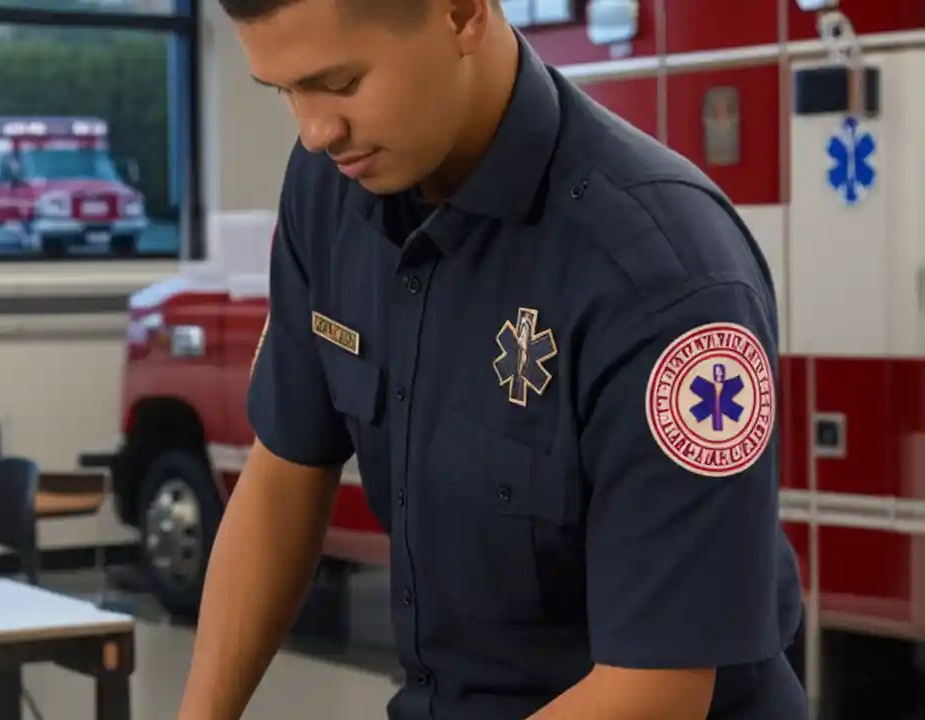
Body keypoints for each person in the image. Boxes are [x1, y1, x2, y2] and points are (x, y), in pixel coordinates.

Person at [178, 0, 807, 718]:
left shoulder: (661, 277)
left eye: (342, 83)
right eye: (285, 91)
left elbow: (657, 690)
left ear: (460, 13)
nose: (316, 130)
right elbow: (285, 472)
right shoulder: (332, 185)